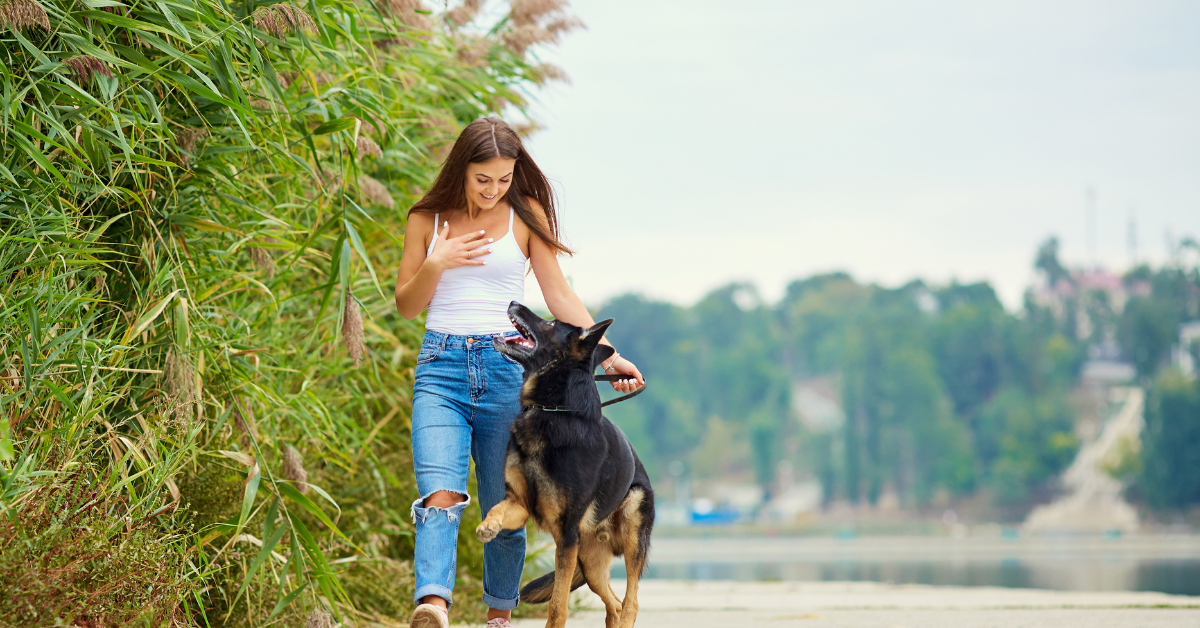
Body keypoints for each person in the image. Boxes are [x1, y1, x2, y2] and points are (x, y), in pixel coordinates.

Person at [394, 117, 645, 628]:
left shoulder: (523, 216)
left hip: (505, 371)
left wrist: (610, 355)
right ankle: (433, 605)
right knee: (438, 495)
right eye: (483, 179)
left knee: (510, 503)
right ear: (462, 170)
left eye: (504, 179)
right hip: (439, 371)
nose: (493, 190)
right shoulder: (426, 220)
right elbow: (405, 306)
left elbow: (558, 296)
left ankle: (498, 616)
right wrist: (436, 263)